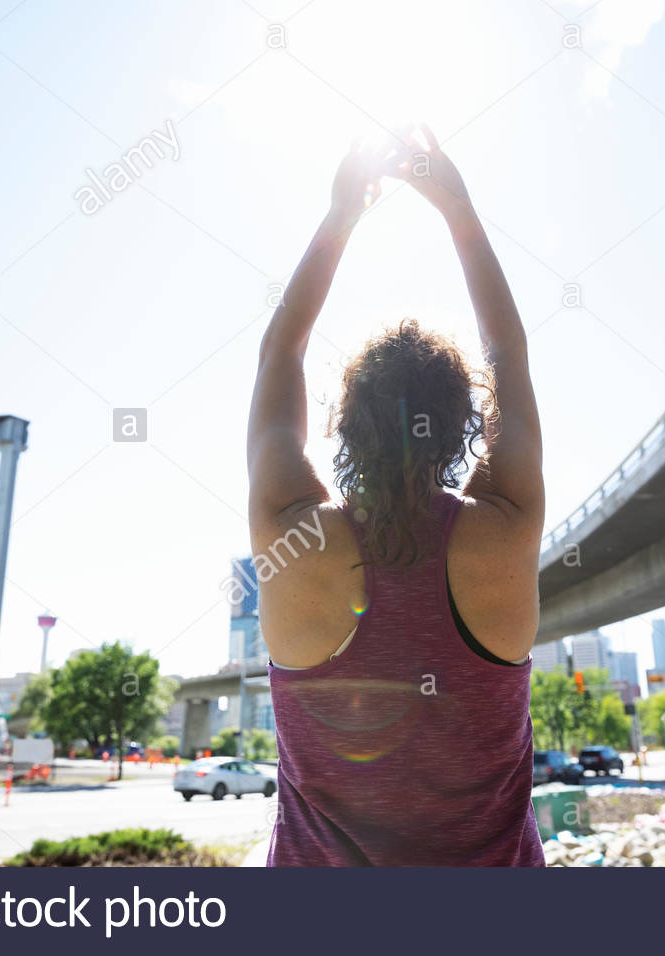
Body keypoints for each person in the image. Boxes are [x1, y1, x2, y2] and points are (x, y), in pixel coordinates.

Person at [246, 125, 545, 866]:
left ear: (343, 425)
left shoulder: (292, 535)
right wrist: (460, 213)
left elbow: (280, 349)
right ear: (462, 427)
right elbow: (508, 349)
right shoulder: (506, 529)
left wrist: (340, 215)